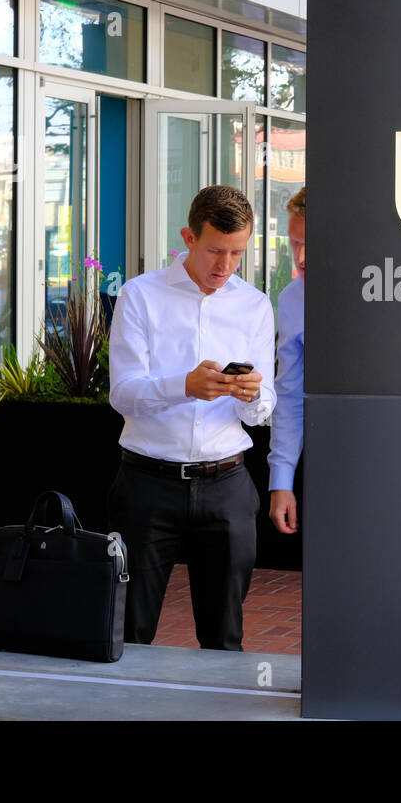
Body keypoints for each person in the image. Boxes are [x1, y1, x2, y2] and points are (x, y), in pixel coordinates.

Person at [107, 185, 275, 650]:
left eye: (237, 253)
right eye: (215, 251)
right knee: (126, 632)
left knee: (225, 637)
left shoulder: (255, 305)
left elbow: (262, 411)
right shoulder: (140, 296)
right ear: (188, 237)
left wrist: (252, 393)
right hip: (147, 485)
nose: (224, 266)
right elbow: (122, 394)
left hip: (227, 487)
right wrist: (184, 386)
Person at [268, 188, 306, 538]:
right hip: (327, 461)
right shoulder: (292, 299)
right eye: (294, 243)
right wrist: (281, 481)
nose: (301, 256)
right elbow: (290, 395)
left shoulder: (383, 287)